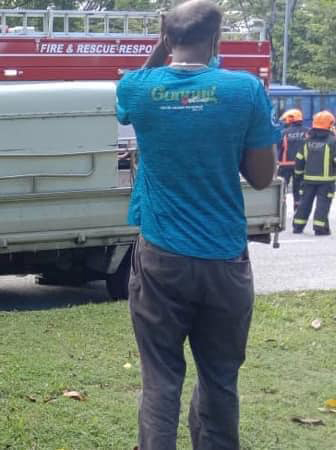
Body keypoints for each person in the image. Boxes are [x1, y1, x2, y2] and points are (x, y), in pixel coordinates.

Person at [115, 1, 278, 448]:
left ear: (167, 39)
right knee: (220, 380)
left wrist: (162, 42)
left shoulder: (137, 89)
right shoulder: (244, 90)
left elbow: (131, 89)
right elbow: (263, 176)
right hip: (224, 259)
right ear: (216, 39)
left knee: (161, 381)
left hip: (161, 260)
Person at [292, 111, 336, 235]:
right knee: (322, 205)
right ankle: (320, 228)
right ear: (329, 125)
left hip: (308, 180)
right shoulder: (333, 142)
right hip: (326, 182)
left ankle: (297, 226)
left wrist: (298, 176)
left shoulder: (307, 141)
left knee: (304, 203)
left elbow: (299, 160)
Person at [278, 109, 308, 211]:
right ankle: (298, 207)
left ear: (291, 119)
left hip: (285, 165)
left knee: (282, 188)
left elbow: (278, 148)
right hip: (302, 165)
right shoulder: (308, 132)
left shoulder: (284, 133)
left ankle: (280, 207)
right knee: (298, 188)